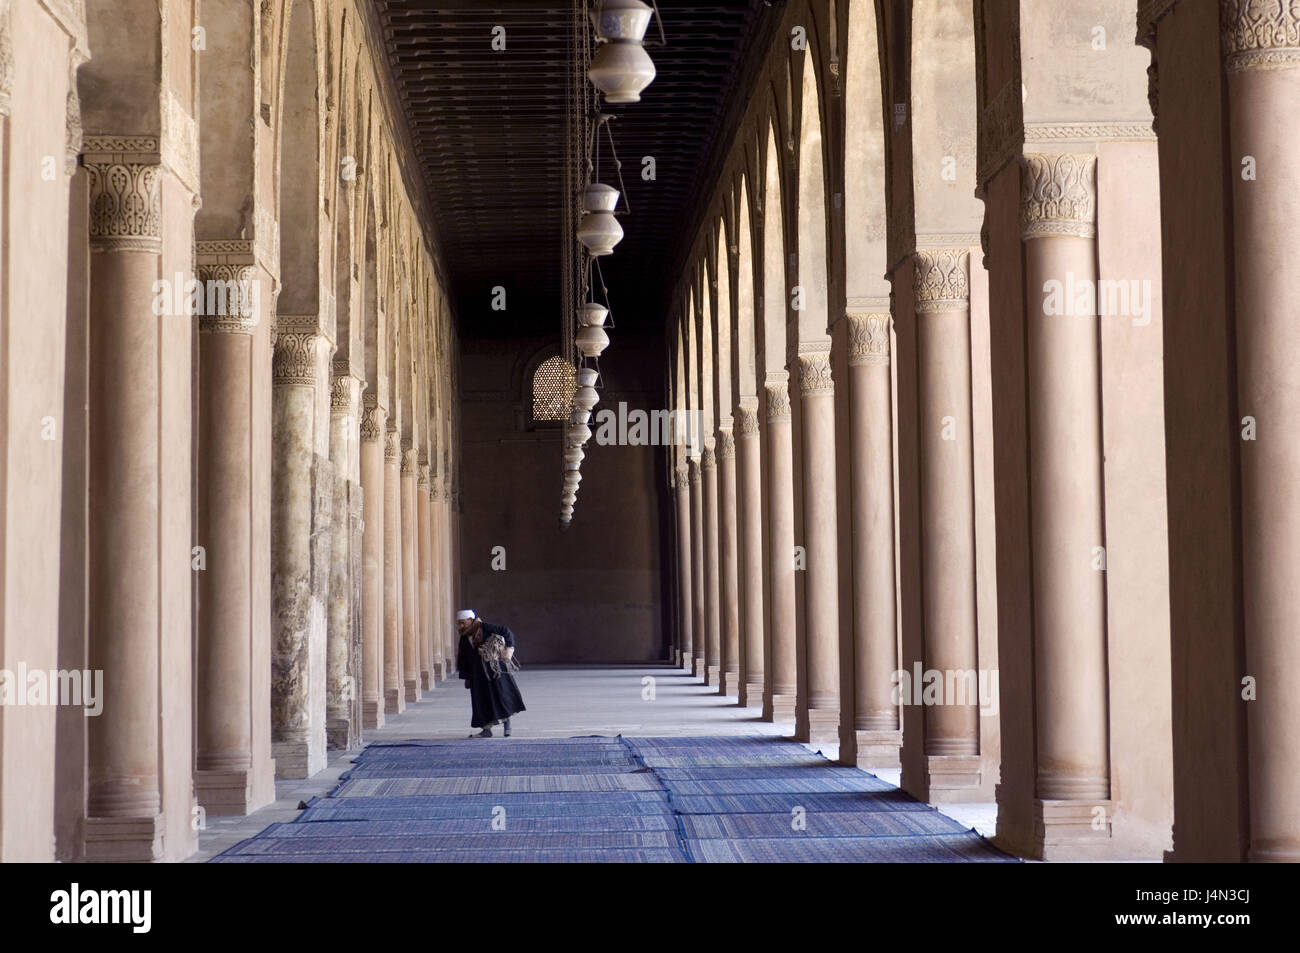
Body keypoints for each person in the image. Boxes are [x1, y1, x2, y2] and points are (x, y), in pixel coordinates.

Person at [455, 609, 526, 738]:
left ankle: (507, 725)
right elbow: (463, 657)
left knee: (501, 696)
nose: (461, 626)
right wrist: (466, 677)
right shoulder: (464, 637)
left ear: (470, 620)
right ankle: (486, 729)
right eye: (459, 623)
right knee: (481, 701)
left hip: (494, 670)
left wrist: (508, 651)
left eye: (462, 622)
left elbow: (506, 632)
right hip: (477, 674)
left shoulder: (485, 627)